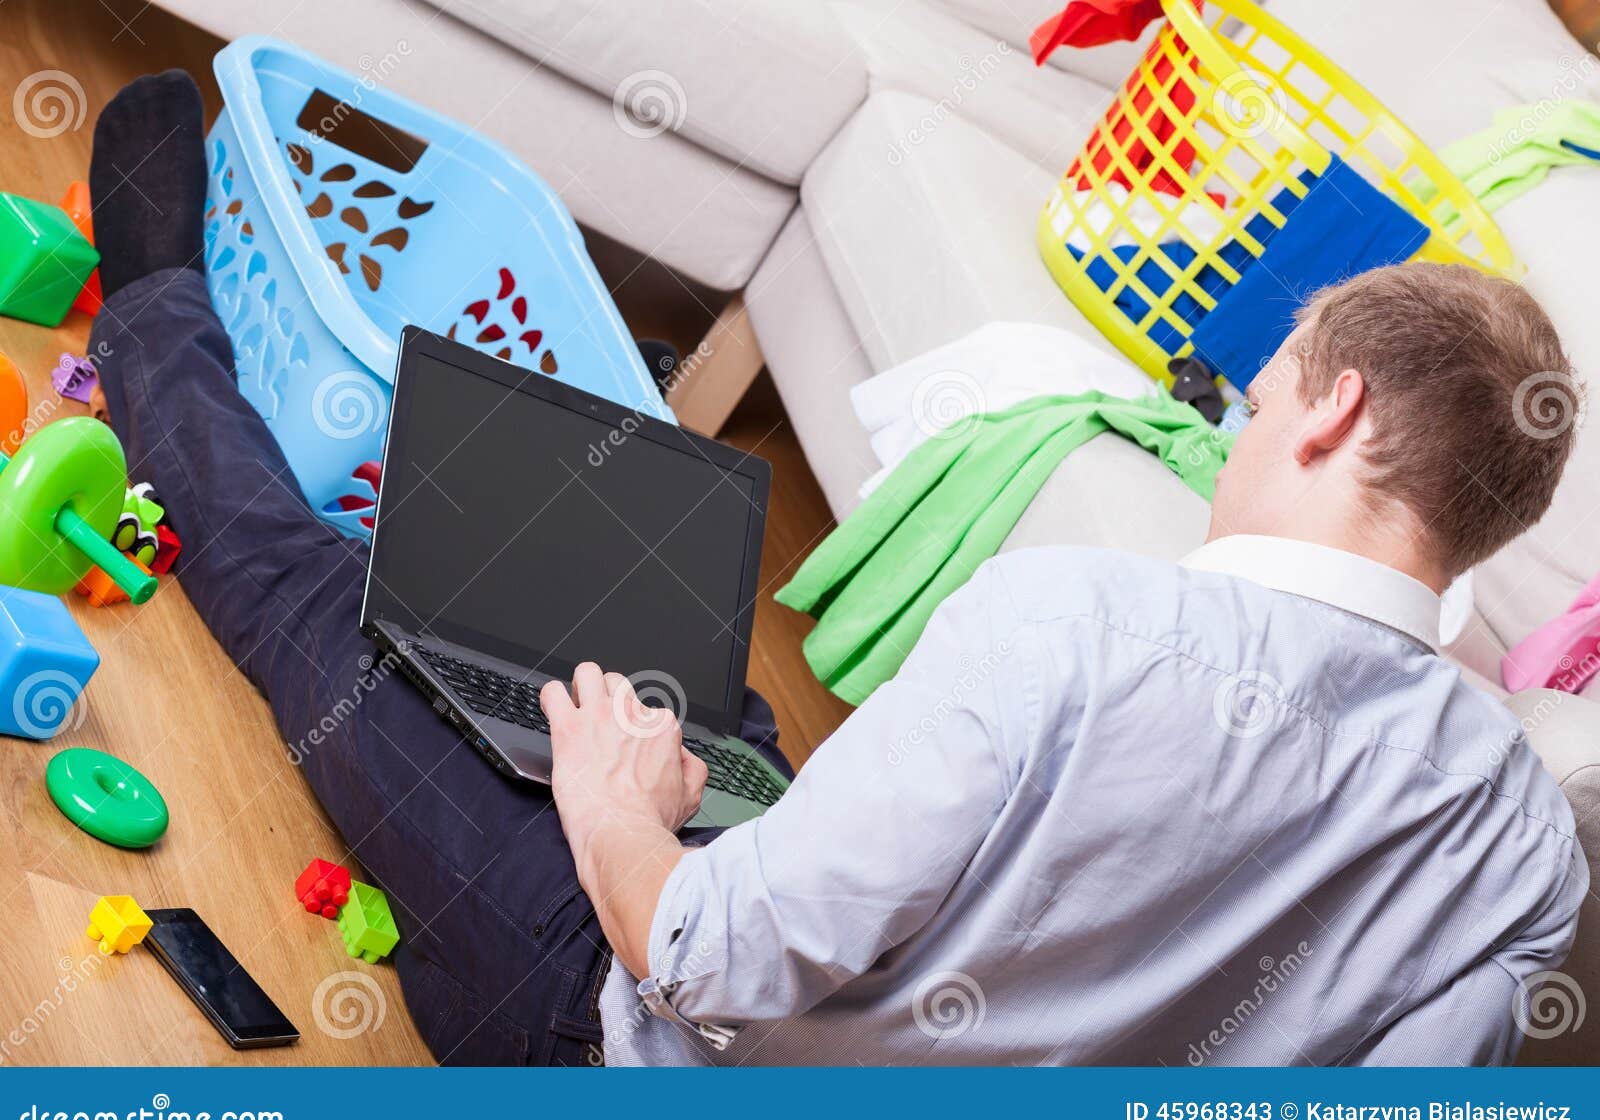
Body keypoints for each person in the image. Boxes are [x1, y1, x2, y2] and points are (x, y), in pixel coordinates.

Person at [90, 72, 1585, 1067]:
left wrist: (611, 806)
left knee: (320, 610)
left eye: (1262, 398)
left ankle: (155, 305)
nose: (1245, 419)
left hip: (602, 1029)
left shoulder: (1072, 620)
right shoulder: (1527, 856)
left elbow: (700, 957)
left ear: (1332, 413)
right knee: (715, 712)